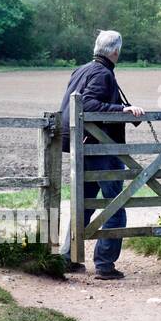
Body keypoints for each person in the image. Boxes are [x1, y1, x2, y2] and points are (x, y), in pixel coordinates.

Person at [58, 30, 145, 279]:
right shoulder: (102, 73)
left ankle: (69, 257)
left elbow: (80, 103)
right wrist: (123, 109)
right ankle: (105, 264)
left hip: (84, 146)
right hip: (101, 148)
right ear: (116, 51)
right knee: (115, 205)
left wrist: (122, 109)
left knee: (84, 206)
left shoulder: (82, 70)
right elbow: (87, 104)